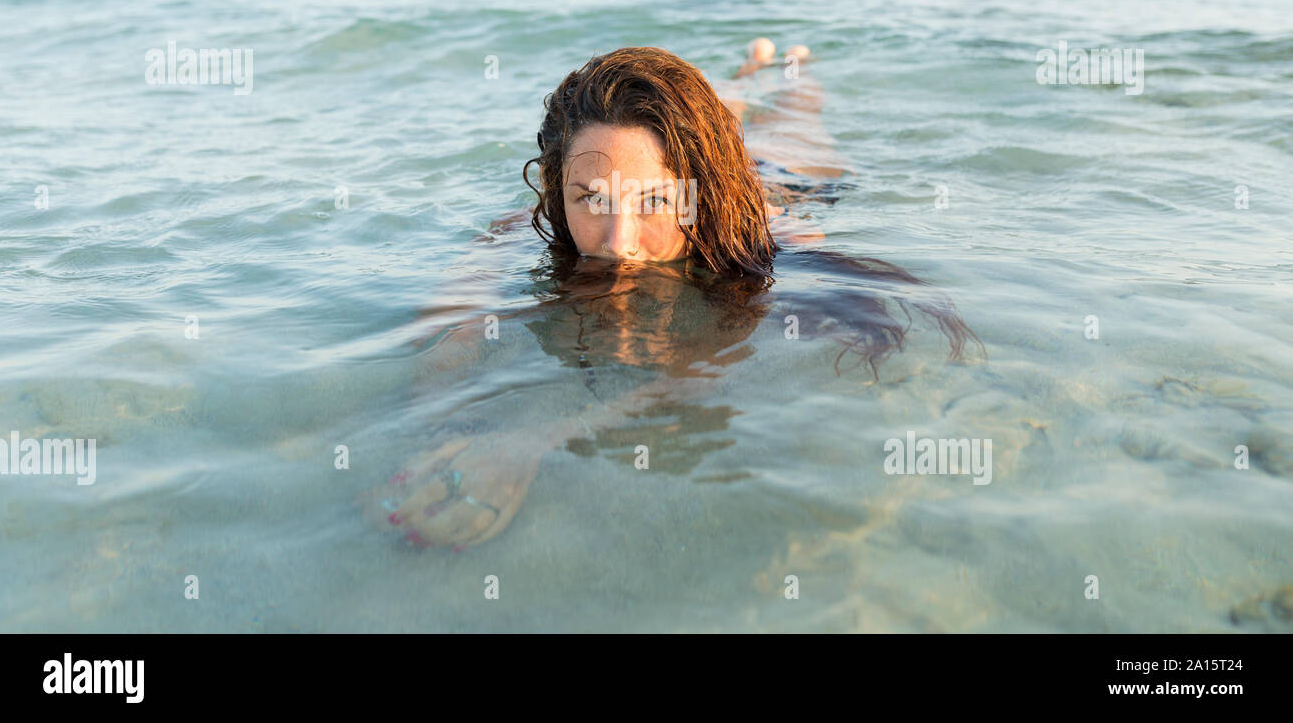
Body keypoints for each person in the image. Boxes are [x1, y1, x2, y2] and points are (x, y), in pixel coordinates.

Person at [364, 45, 981, 549]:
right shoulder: (554, 208)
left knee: (796, 119)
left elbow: (703, 369)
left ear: (696, 199)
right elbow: (457, 324)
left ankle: (793, 69)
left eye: (655, 202)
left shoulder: (756, 243)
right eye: (589, 199)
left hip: (789, 184)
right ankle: (742, 74)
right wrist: (440, 421)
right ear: (557, 192)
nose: (618, 243)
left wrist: (531, 441)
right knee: (711, 119)